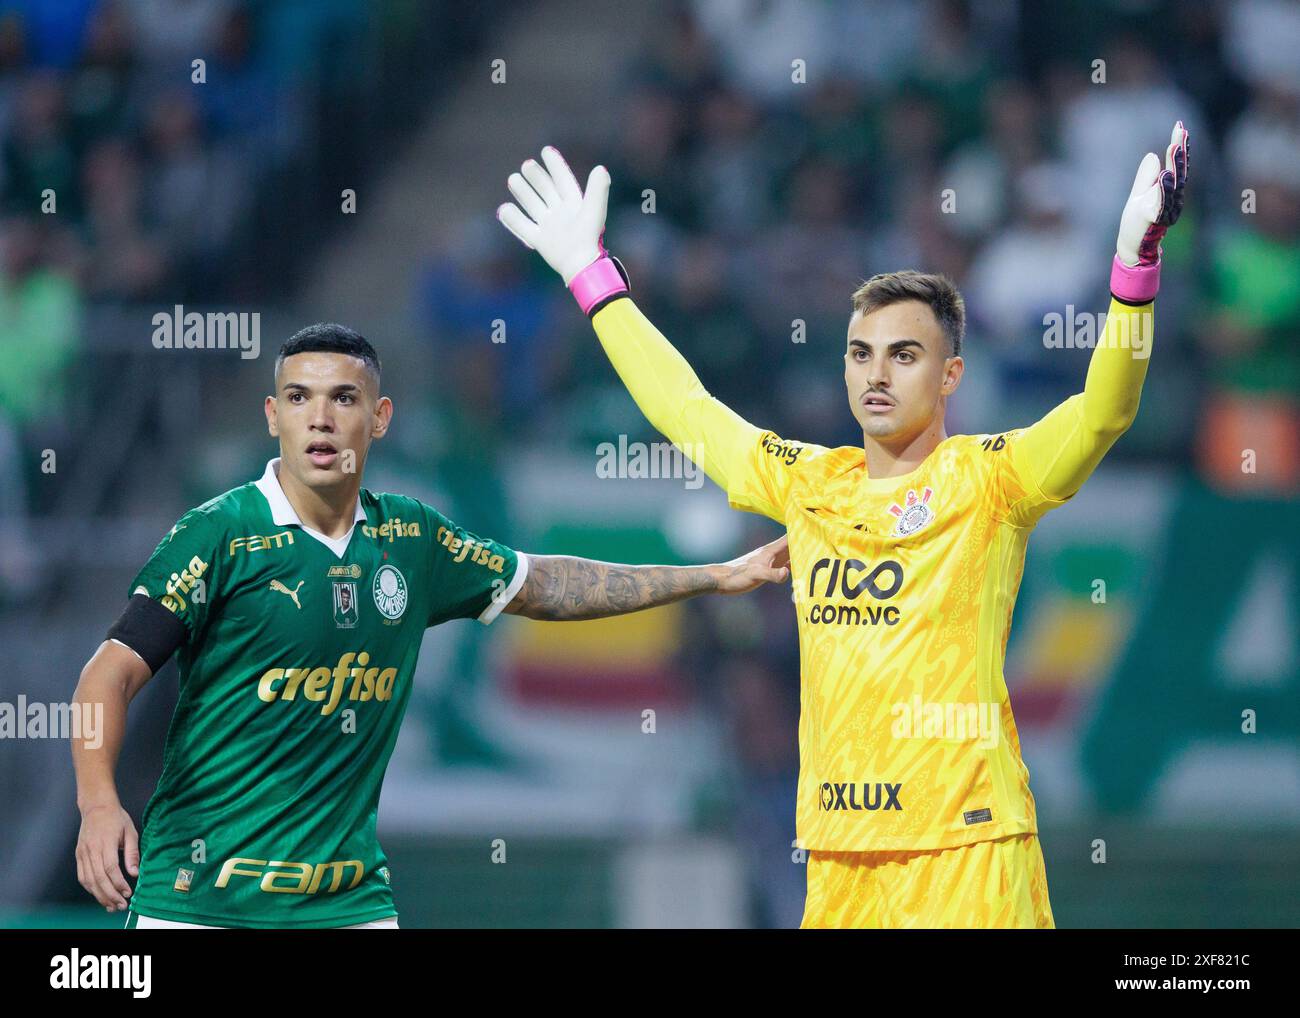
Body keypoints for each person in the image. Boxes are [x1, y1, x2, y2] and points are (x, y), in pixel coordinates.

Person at [497, 123, 1188, 928]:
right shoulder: (806, 484)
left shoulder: (992, 479)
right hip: (840, 860)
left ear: (951, 374)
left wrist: (1135, 271)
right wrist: (593, 278)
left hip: (965, 854)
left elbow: (1105, 414)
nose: (877, 374)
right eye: (861, 354)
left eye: (904, 354)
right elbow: (686, 411)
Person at [71, 323, 791, 929]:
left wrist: (712, 577)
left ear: (379, 418)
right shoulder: (219, 534)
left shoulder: (412, 541)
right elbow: (109, 673)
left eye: (342, 398)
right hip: (200, 898)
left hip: (344, 902)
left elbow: (551, 585)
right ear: (273, 416)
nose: (319, 418)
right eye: (299, 398)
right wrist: (100, 803)